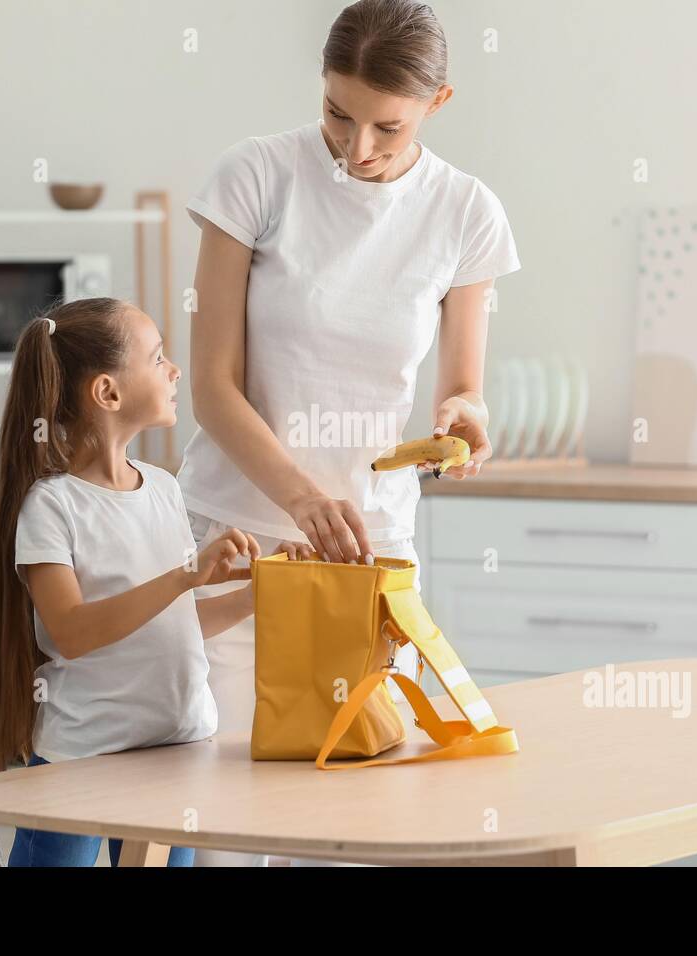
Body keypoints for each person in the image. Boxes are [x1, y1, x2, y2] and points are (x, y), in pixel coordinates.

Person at [181, 0, 521, 865]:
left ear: (438, 104)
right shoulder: (255, 176)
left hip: (372, 552)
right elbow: (214, 390)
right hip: (236, 543)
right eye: (338, 112)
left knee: (363, 815)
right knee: (220, 822)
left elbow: (463, 388)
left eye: (388, 127)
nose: (357, 146)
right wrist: (301, 497)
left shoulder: (465, 211)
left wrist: (463, 421)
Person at [0, 297, 267, 866]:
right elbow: (71, 633)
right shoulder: (53, 507)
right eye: (158, 357)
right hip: (83, 763)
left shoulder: (162, 488)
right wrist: (186, 575)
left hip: (173, 756)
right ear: (108, 393)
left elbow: (172, 626)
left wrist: (257, 596)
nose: (175, 369)